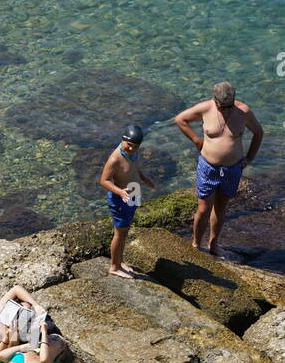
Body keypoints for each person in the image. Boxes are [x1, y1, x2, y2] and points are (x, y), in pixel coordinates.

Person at [174, 82, 263, 257]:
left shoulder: (243, 111)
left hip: (232, 169)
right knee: (204, 208)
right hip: (208, 167)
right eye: (223, 107)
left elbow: (258, 132)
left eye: (230, 106)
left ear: (234, 99)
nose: (227, 111)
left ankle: (214, 245)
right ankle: (195, 244)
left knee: (221, 208)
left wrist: (250, 158)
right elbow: (180, 119)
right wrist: (196, 141)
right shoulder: (205, 108)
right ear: (215, 101)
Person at [98, 123, 156, 279]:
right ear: (122, 140)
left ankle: (119, 261)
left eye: (135, 146)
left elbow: (134, 168)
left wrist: (144, 178)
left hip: (133, 193)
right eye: (129, 145)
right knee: (119, 233)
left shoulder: (133, 154)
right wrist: (119, 191)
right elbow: (103, 180)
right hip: (120, 198)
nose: (131, 148)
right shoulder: (115, 159)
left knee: (125, 233)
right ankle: (114, 267)